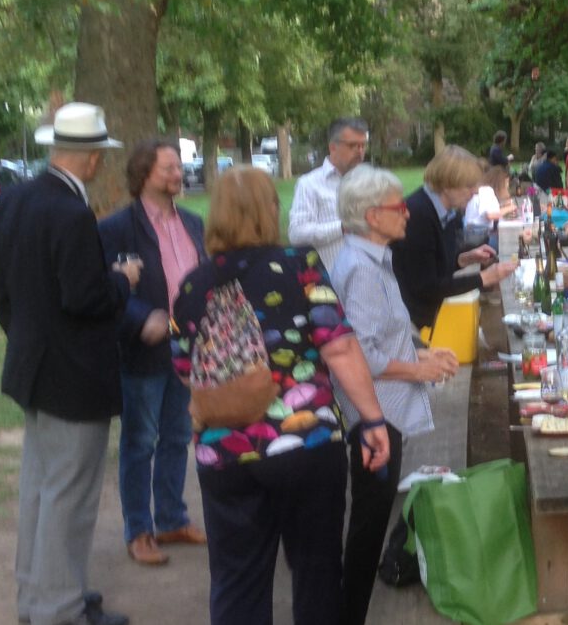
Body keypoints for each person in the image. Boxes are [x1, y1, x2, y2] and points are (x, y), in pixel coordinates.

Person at [170, 167, 390, 625]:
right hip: (305, 447)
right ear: (272, 210)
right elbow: (340, 346)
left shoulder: (192, 285)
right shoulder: (299, 265)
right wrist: (371, 421)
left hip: (224, 455)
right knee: (316, 573)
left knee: (236, 583)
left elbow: (184, 368)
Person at [0, 102, 137, 625]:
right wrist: (124, 280)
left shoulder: (14, 199)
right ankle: (59, 609)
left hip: (35, 368)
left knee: (40, 489)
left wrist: (29, 340)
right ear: (93, 158)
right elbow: (85, 299)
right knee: (67, 496)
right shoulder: (72, 213)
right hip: (73, 376)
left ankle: (40, 596)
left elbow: (0, 288)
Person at [330, 164, 459, 625]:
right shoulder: (360, 269)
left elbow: (387, 329)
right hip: (375, 412)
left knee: (375, 513)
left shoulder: (374, 259)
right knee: (369, 519)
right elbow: (361, 353)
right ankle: (351, 611)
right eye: (396, 206)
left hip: (387, 407)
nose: (407, 212)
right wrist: (418, 367)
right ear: (370, 216)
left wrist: (424, 347)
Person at [98, 139, 208, 566]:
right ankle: (139, 530)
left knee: (179, 436)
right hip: (143, 351)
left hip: (189, 349)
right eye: (168, 169)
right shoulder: (116, 229)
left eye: (179, 168)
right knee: (140, 441)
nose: (177, 175)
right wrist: (142, 318)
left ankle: (171, 518)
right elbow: (104, 290)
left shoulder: (194, 223)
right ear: (144, 175)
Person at [391, 145, 517, 330]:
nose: (474, 192)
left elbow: (437, 266)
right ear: (446, 185)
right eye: (468, 186)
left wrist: (463, 259)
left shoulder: (448, 211)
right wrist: (484, 277)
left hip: (425, 314)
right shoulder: (418, 215)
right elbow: (427, 287)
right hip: (407, 322)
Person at [288, 118, 368, 271]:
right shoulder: (309, 184)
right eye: (353, 145)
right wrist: (343, 227)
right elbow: (297, 234)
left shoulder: (370, 182)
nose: (359, 151)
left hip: (368, 279)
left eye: (363, 145)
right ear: (333, 147)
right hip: (331, 282)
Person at [463, 165, 515, 251]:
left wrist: (502, 205)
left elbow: (487, 210)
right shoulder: (486, 191)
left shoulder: (484, 190)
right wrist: (510, 208)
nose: (507, 186)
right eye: (506, 183)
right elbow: (491, 215)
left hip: (475, 232)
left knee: (502, 234)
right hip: (477, 236)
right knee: (507, 242)